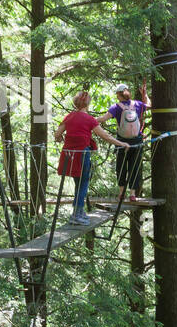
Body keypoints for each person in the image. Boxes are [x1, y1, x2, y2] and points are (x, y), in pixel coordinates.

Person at [54, 89, 127, 225]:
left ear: (76, 103)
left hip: (69, 155)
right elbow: (105, 136)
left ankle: (78, 212)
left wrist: (60, 138)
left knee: (79, 183)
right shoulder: (89, 119)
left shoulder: (69, 117)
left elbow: (57, 134)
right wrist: (121, 143)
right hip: (82, 154)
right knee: (83, 183)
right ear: (87, 104)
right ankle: (76, 214)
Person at [107, 83, 149, 201]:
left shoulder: (116, 107)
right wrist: (144, 94)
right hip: (136, 141)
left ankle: (121, 193)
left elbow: (103, 118)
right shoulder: (137, 104)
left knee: (121, 167)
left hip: (121, 142)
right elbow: (149, 105)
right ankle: (132, 194)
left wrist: (89, 121)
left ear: (118, 95)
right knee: (134, 166)